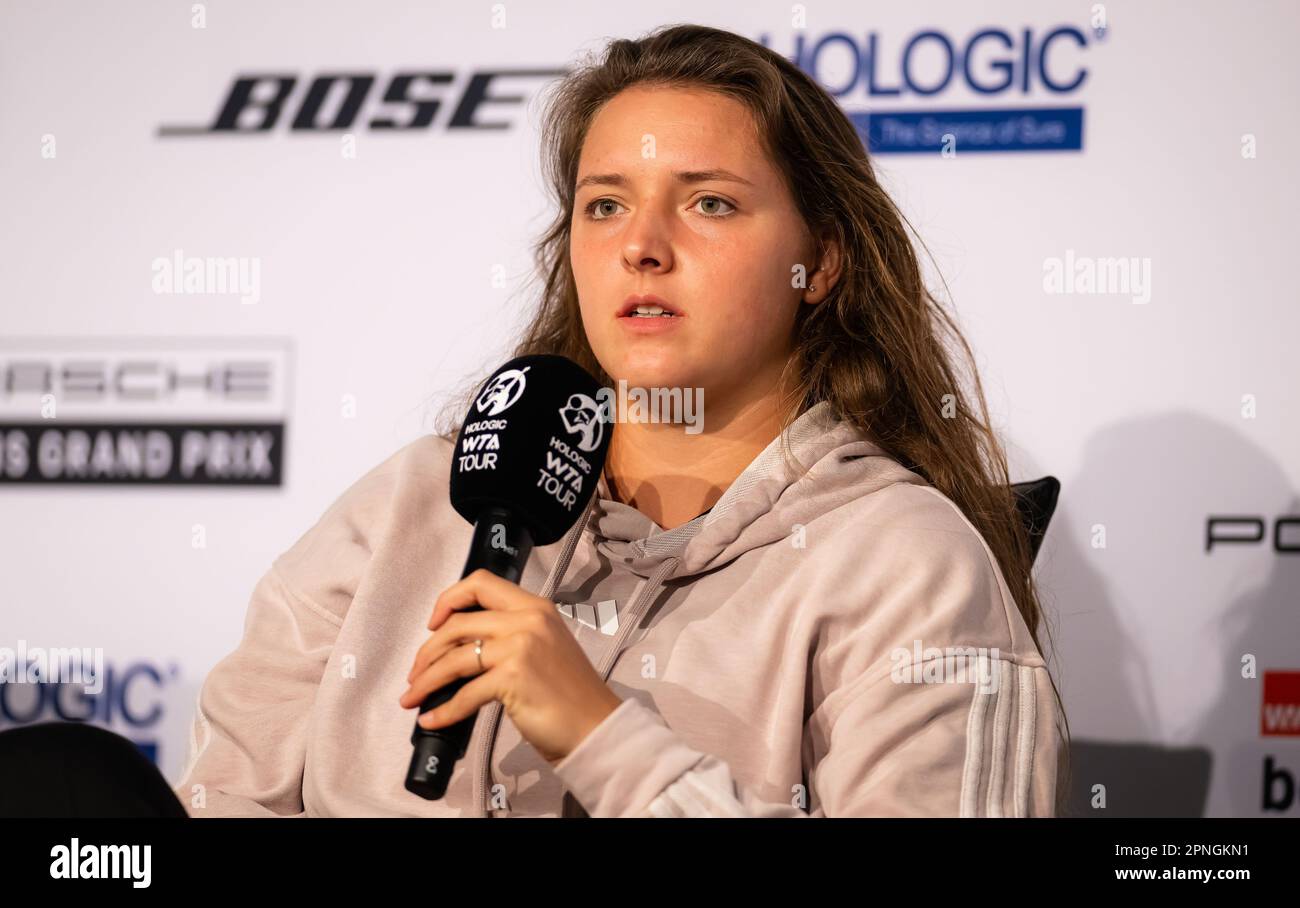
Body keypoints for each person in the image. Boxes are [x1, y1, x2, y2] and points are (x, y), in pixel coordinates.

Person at [172, 23, 1069, 818]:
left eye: (709, 202)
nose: (640, 245)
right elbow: (226, 792)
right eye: (605, 204)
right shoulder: (417, 497)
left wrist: (597, 735)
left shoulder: (907, 563)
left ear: (822, 260)